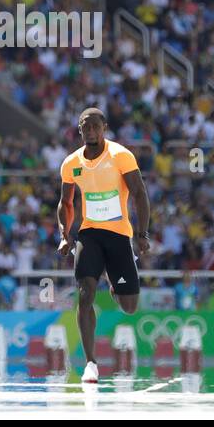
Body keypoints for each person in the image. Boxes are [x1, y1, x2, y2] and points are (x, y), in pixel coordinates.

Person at [57, 108, 152, 384]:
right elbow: (66, 203)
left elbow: (139, 193)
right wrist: (65, 234)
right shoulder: (71, 163)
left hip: (119, 235)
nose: (90, 131)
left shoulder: (121, 156)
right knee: (85, 293)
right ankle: (90, 363)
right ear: (79, 130)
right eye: (85, 127)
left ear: (104, 128)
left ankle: (114, 282)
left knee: (129, 306)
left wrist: (142, 233)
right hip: (89, 235)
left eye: (95, 126)